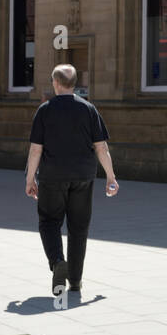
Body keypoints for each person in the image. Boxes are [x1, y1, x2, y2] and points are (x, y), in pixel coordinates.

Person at [25, 64, 118, 295]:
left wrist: (30, 178)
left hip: (52, 175)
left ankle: (57, 261)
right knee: (78, 227)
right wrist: (110, 176)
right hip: (83, 176)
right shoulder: (89, 109)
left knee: (49, 221)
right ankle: (75, 281)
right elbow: (101, 147)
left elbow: (36, 150)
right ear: (74, 84)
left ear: (56, 83)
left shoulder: (44, 110)